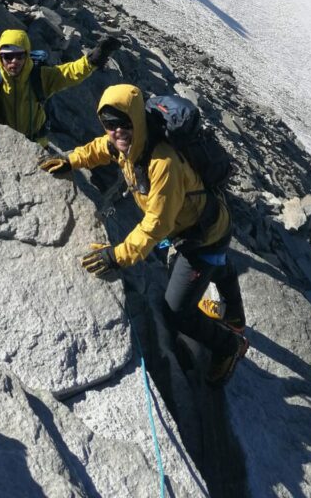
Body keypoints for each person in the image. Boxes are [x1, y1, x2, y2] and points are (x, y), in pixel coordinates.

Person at [40, 84, 248, 384]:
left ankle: (231, 346)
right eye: (109, 124)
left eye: (124, 124)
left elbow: (157, 224)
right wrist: (73, 160)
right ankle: (235, 317)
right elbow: (102, 147)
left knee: (176, 310)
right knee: (218, 265)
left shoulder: (161, 162)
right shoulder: (130, 143)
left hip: (201, 236)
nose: (117, 132)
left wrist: (117, 256)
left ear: (137, 120)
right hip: (204, 220)